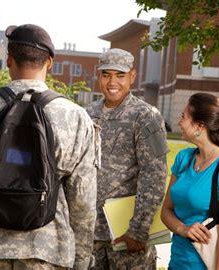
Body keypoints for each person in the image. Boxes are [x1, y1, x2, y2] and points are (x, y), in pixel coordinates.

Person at [0, 24, 99, 269]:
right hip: (48, 253)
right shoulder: (75, 117)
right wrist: (79, 260)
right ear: (49, 62)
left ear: (9, 60)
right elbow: (83, 200)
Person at [86, 48, 169, 269]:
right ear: (99, 76)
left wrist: (139, 229)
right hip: (89, 232)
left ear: (132, 76)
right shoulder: (87, 114)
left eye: (120, 75)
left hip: (126, 233)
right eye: (106, 75)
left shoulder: (146, 116)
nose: (112, 82)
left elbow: (154, 175)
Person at [161, 92, 219, 269]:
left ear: (199, 125)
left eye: (184, 116)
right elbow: (166, 211)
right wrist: (183, 229)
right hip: (177, 264)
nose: (179, 122)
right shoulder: (184, 158)